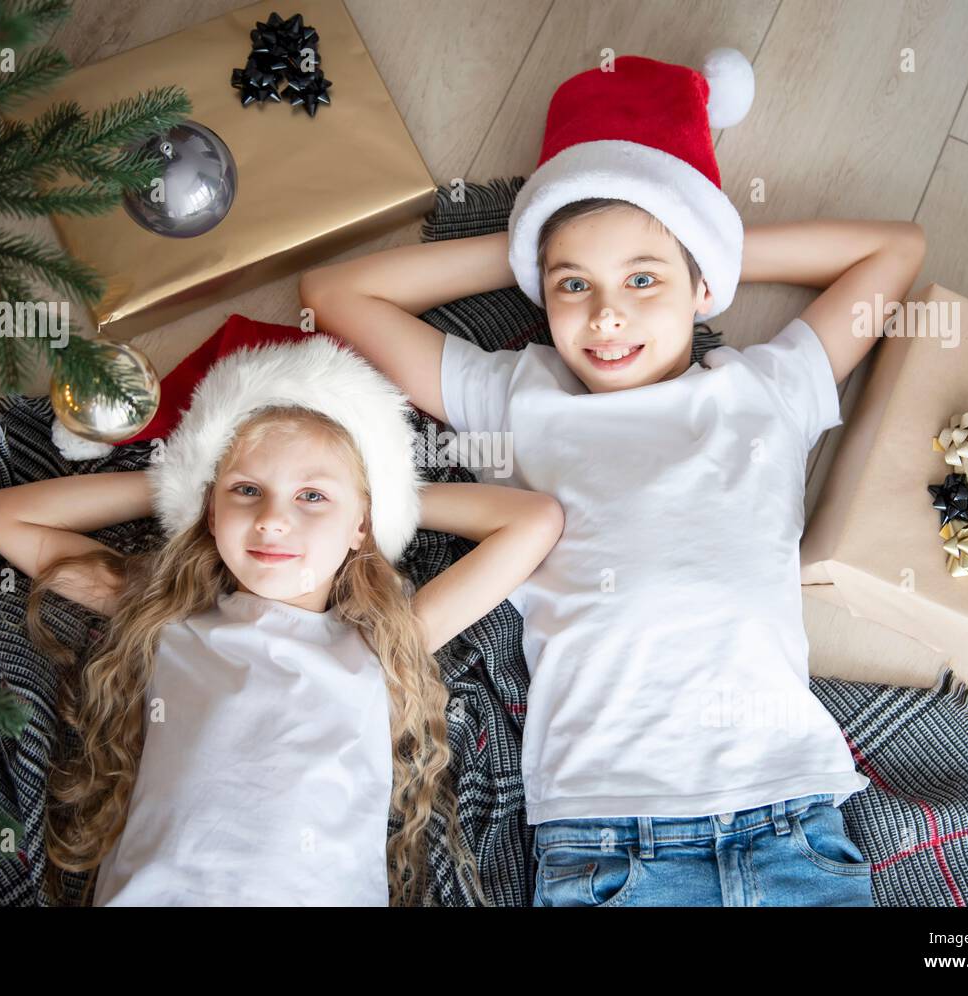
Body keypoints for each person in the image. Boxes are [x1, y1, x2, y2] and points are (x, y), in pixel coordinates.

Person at [298, 52, 927, 906]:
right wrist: (538, 246)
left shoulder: (762, 391)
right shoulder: (516, 400)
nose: (606, 315)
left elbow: (897, 251)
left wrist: (699, 244)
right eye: (572, 286)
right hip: (611, 843)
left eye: (643, 279)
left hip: (790, 817)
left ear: (703, 285)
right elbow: (334, 294)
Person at [0, 334, 565, 906]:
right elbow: (3, 517)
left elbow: (533, 521)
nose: (273, 520)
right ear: (211, 506)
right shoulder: (170, 617)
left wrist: (379, 499)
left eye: (312, 497)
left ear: (361, 524)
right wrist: (181, 482)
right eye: (248, 490)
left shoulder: (382, 645)